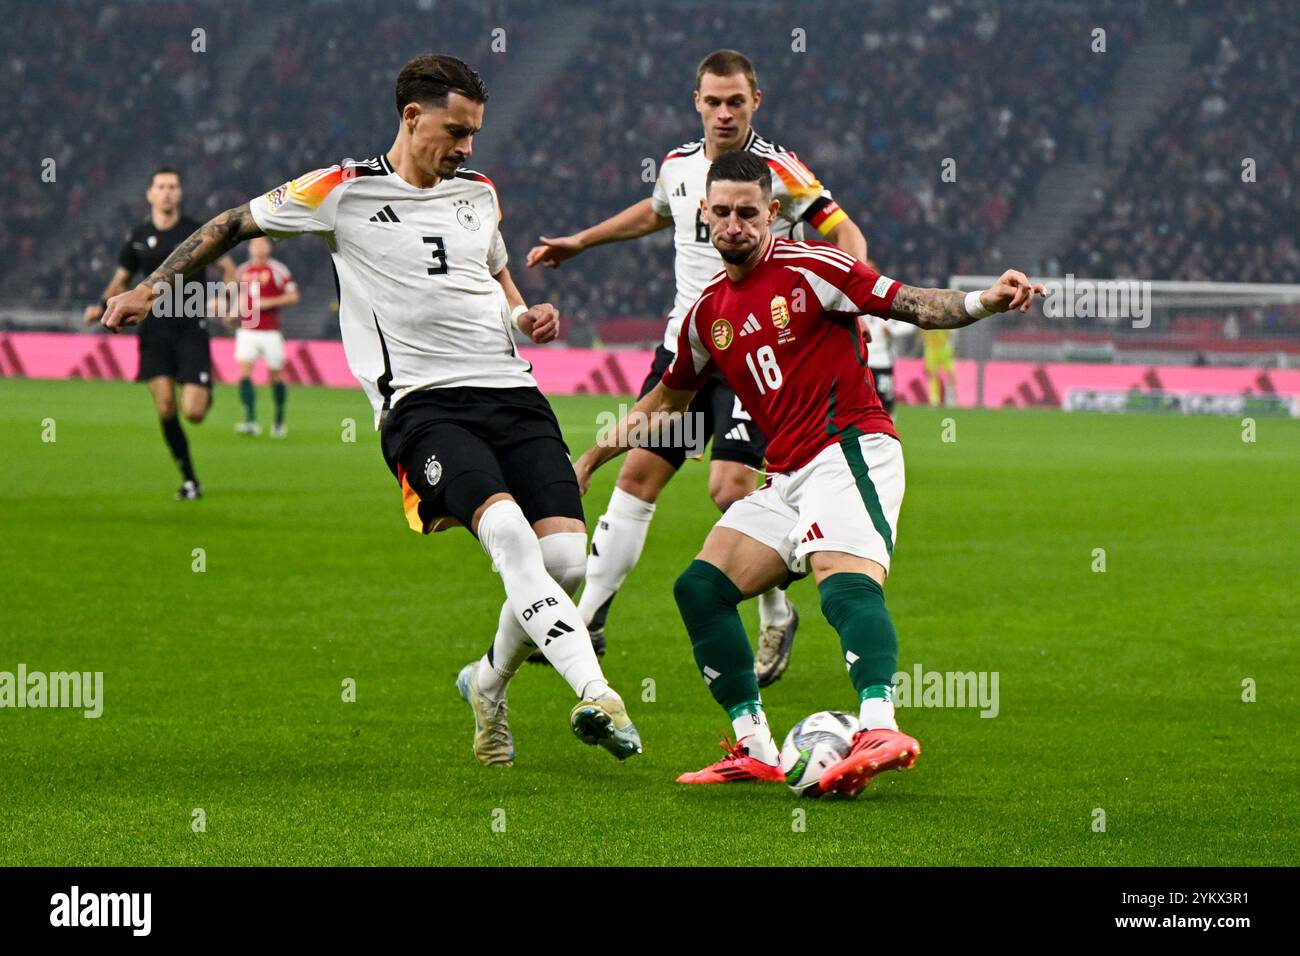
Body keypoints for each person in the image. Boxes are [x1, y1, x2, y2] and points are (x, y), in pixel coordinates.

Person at [102, 54, 641, 768]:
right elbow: (232, 225)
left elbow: (493, 274)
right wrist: (153, 286)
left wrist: (524, 316)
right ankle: (597, 692)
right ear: (412, 118)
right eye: (456, 130)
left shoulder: (478, 191)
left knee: (566, 560)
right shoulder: (341, 190)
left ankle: (486, 684)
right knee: (508, 532)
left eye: (474, 132)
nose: (468, 147)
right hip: (423, 407)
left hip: (513, 392)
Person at [573, 151, 1043, 795]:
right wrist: (593, 457)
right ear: (703, 216)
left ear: (773, 214)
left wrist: (984, 300)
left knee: (842, 584)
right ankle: (755, 746)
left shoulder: (817, 267)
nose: (734, 224)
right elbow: (664, 404)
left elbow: (910, 304)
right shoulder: (704, 313)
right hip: (785, 473)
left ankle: (879, 723)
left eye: (748, 212)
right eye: (722, 212)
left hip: (850, 448)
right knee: (700, 590)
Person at [527, 49, 870, 687]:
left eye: (735, 101)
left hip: (752, 351)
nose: (723, 113)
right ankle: (589, 620)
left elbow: (846, 233)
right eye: (712, 101)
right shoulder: (680, 167)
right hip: (687, 349)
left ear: (755, 103)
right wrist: (583, 240)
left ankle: (775, 610)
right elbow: (656, 212)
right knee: (637, 479)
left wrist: (850, 296)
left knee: (729, 487)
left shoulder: (781, 172)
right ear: (696, 102)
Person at [84, 167, 237, 499]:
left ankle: (204, 388)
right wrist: (101, 305)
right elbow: (121, 278)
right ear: (150, 194)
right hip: (153, 332)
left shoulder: (196, 232)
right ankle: (190, 479)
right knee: (166, 407)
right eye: (161, 187)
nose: (167, 192)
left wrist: (230, 299)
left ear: (180, 193)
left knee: (193, 413)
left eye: (172, 187)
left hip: (190, 328)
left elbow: (228, 270)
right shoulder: (138, 235)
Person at [227, 237, 299, 438]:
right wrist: (233, 313)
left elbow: (293, 296)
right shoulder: (242, 271)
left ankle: (278, 421)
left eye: (262, 243)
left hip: (271, 332)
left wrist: (268, 303)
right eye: (254, 243)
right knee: (244, 375)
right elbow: (241, 298)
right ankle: (250, 421)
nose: (258, 247)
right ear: (249, 247)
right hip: (247, 331)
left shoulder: (278, 270)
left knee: (275, 376)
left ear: (269, 247)